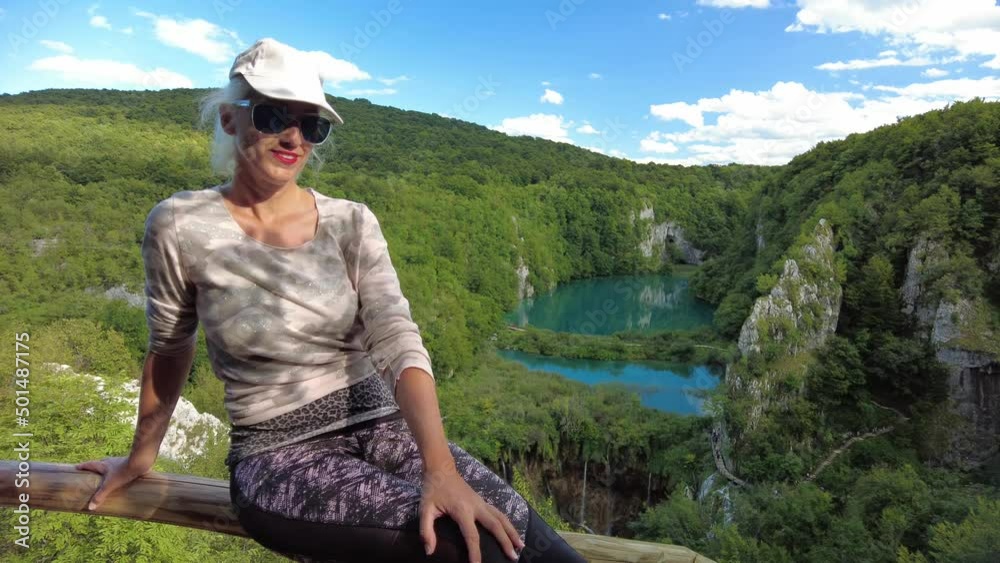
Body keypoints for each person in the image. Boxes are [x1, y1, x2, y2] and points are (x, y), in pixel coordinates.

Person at [74, 37, 588, 563]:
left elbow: (395, 337)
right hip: (279, 454)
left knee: (536, 545)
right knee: (472, 550)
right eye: (274, 116)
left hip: (386, 427)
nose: (294, 137)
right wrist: (142, 457)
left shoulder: (350, 221)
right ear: (231, 119)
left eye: (312, 125)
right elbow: (170, 348)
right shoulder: (181, 224)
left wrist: (442, 471)